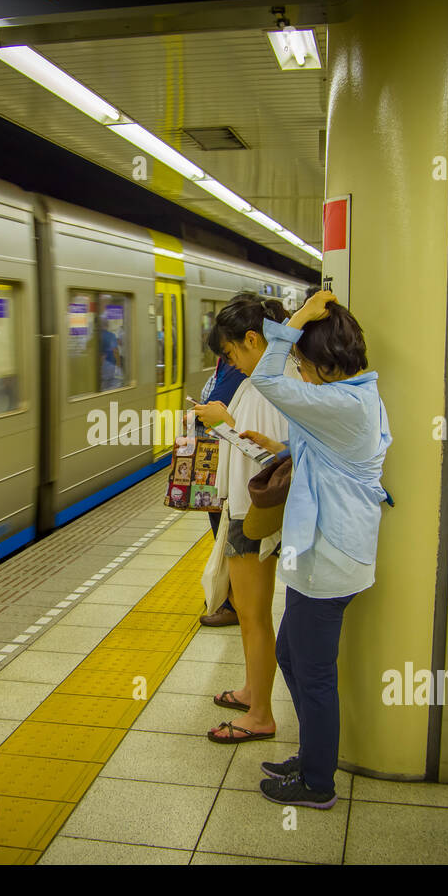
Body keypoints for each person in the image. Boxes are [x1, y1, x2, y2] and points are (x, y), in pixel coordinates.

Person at [242, 289, 392, 809]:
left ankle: (318, 781)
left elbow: (263, 377)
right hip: (323, 551)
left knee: (314, 672)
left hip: (330, 555)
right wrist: (281, 447)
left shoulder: (340, 402)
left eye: (303, 364)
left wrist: (299, 318)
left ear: (325, 365)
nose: (298, 373)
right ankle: (312, 757)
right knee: (291, 654)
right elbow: (329, 445)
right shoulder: (357, 395)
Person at [192, 293, 291, 745]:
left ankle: (261, 715)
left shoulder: (273, 383)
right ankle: (253, 690)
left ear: (254, 339)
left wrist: (221, 423)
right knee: (253, 615)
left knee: (252, 616)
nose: (232, 361)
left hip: (254, 514)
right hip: (246, 509)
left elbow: (269, 456)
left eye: (233, 351)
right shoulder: (268, 377)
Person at [195, 353, 246, 627]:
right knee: (224, 532)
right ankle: (230, 599)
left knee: (228, 535)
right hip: (228, 469)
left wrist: (206, 411)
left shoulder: (239, 370)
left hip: (233, 476)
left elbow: (217, 402)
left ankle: (232, 603)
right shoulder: (232, 365)